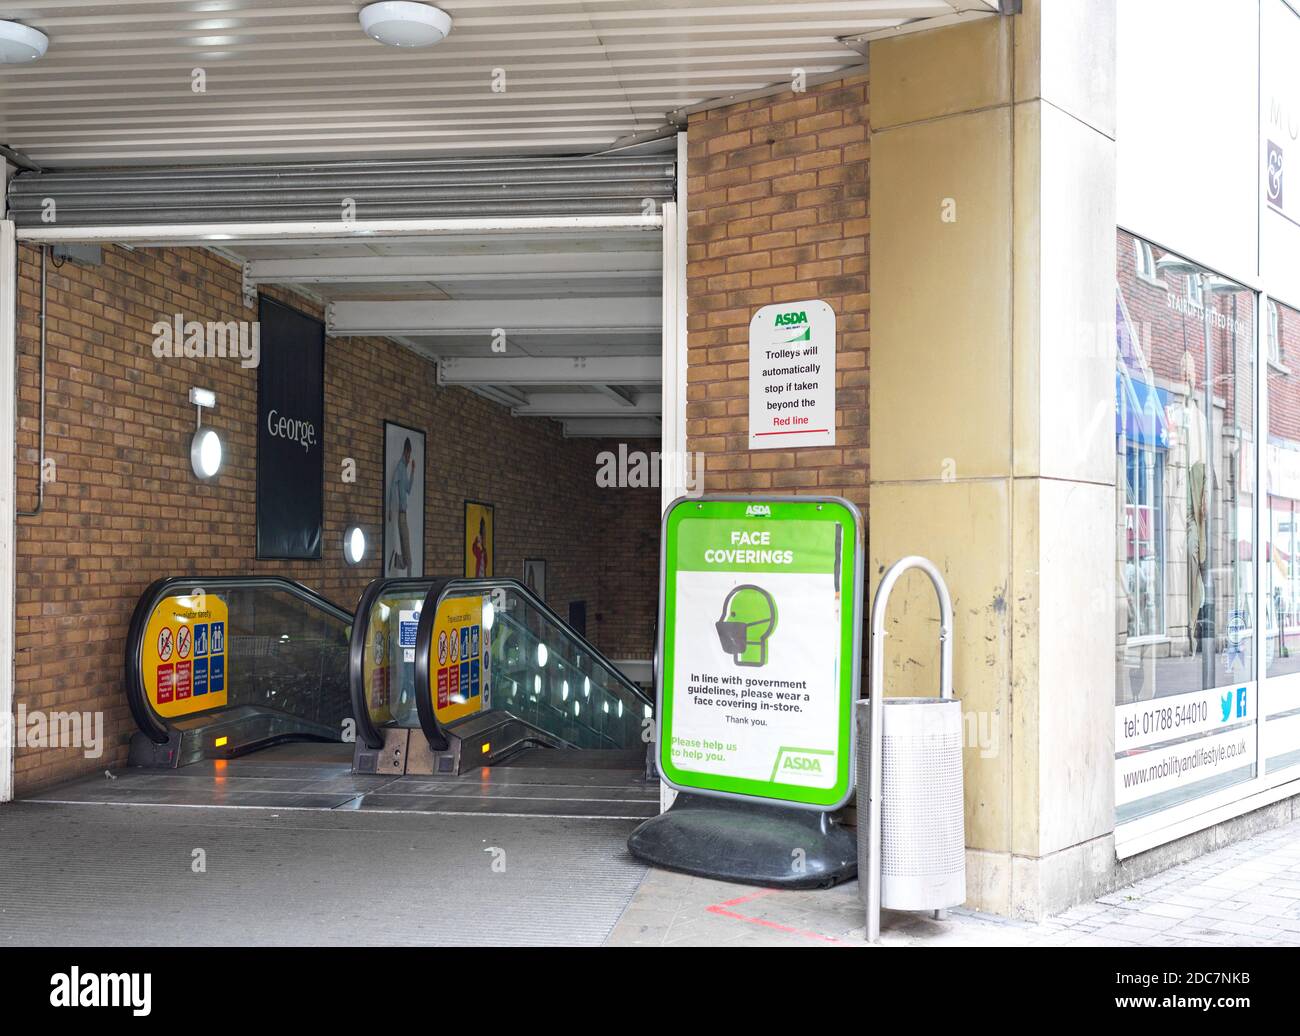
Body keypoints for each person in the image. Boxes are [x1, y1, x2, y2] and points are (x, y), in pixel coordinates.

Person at [388, 438, 415, 574]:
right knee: (409, 558)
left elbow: (408, 489)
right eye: (409, 454)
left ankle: (397, 559)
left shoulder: (404, 469)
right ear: (405, 452)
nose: (409, 458)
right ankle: (410, 585)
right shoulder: (399, 467)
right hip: (401, 515)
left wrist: (413, 471)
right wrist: (390, 509)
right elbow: (393, 488)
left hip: (404, 514)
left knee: (407, 555)